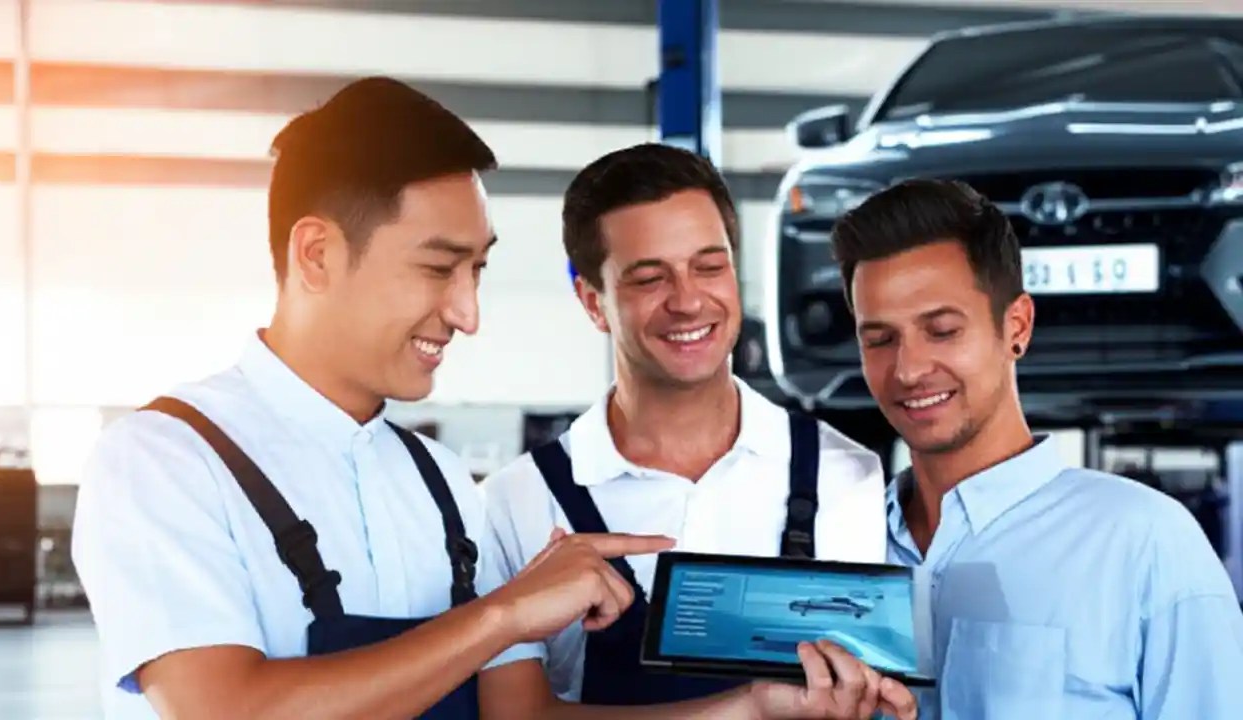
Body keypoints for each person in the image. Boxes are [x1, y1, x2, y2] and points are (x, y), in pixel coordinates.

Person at [70, 77, 677, 720]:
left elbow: (522, 717)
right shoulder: (164, 461)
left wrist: (752, 707)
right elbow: (230, 710)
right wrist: (503, 614)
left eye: (477, 271)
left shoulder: (440, 484)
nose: (467, 314)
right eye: (439, 268)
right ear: (317, 254)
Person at [478, 143, 917, 720]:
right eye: (649, 278)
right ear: (593, 301)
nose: (687, 301)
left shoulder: (844, 476)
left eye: (709, 267)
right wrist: (750, 709)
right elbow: (513, 719)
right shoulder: (516, 502)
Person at [829, 178, 1243, 719]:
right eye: (880, 340)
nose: (908, 369)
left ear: (1016, 326)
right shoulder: (838, 542)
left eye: (943, 330)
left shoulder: (1144, 544)